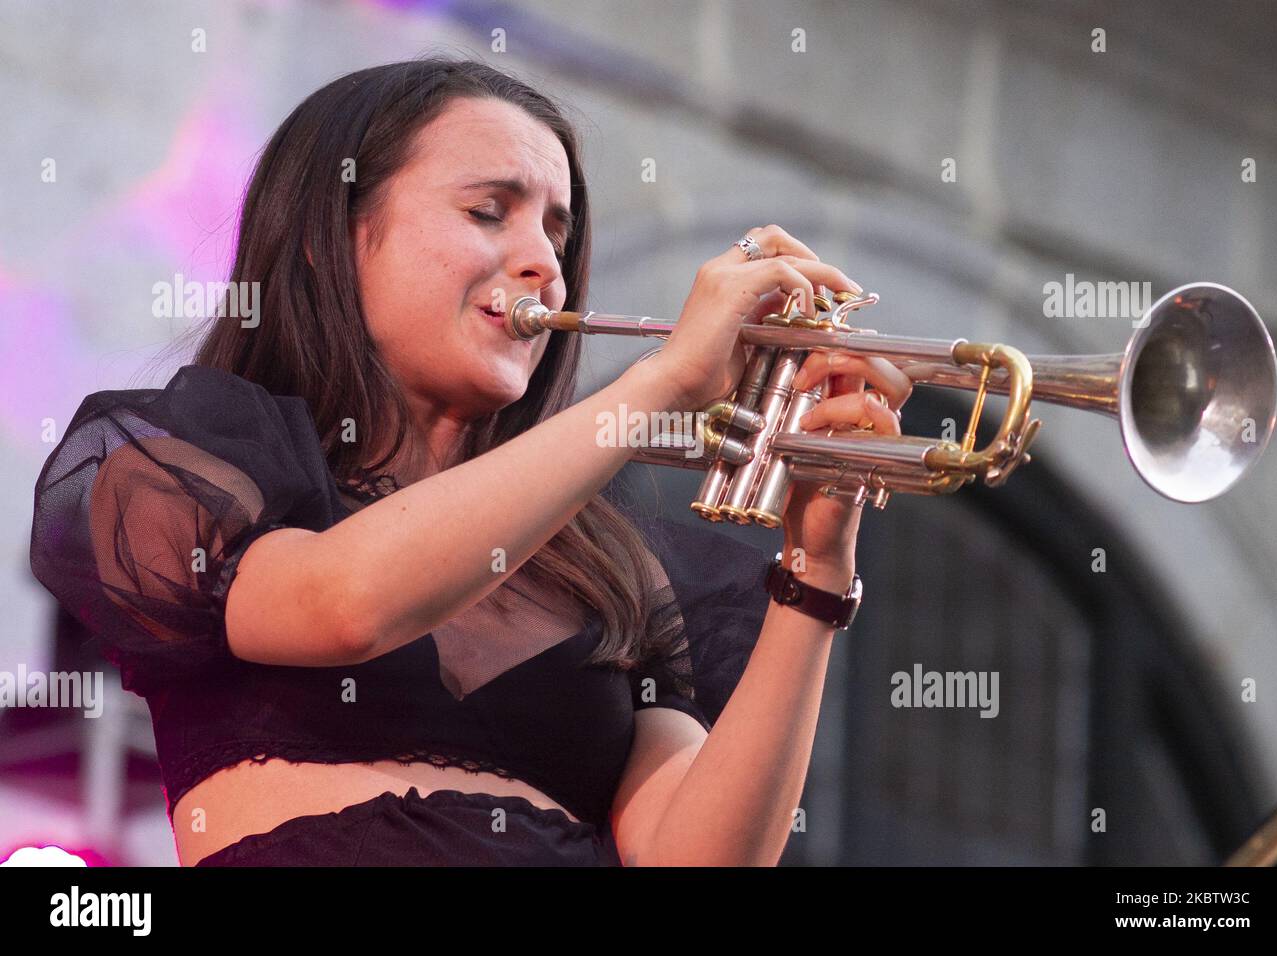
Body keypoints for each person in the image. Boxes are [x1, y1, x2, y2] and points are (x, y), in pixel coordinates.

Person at [29, 57, 912, 866]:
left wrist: (817, 565)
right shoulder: (177, 462)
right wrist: (667, 380)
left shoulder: (604, 563)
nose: (545, 266)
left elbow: (694, 859)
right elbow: (344, 605)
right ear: (328, 235)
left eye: (557, 236)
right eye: (488, 211)